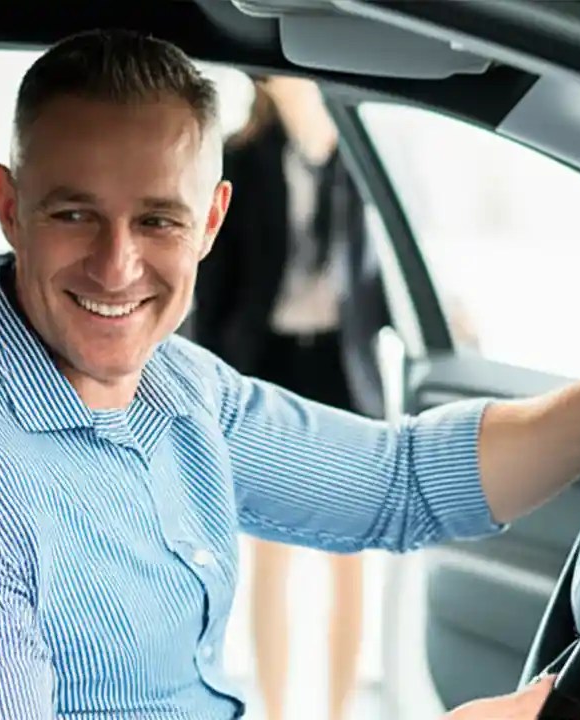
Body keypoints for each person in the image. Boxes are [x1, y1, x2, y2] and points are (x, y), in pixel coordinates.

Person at [0, 27, 580, 720]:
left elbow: (402, 481)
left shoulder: (178, 389)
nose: (116, 268)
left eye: (157, 221)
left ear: (212, 222)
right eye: (73, 215)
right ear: (8, 207)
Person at [194, 73, 383, 720]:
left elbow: (370, 266)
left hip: (339, 364)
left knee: (348, 557)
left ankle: (337, 711)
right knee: (269, 556)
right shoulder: (240, 158)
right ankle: (274, 711)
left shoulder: (355, 158)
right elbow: (212, 287)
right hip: (265, 360)